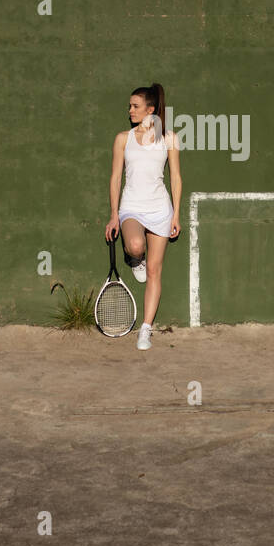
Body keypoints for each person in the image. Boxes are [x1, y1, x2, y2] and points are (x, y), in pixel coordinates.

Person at [104, 83, 182, 350]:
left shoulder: (169, 138)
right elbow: (115, 177)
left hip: (161, 209)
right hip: (132, 208)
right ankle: (135, 258)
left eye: (135, 106)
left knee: (154, 271)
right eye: (129, 106)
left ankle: (146, 329)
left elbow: (176, 177)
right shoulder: (122, 139)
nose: (130, 111)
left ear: (151, 109)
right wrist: (114, 215)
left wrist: (176, 215)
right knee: (136, 245)